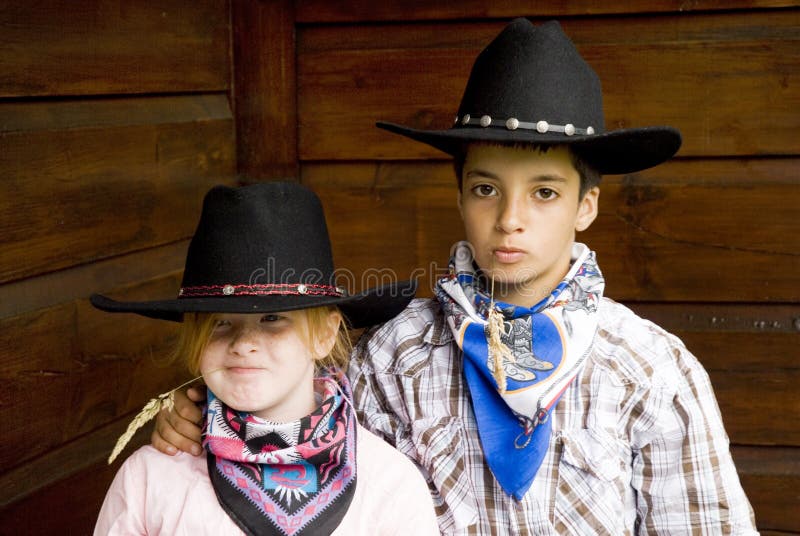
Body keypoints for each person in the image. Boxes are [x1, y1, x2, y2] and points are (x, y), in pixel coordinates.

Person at [152, 19, 758, 534]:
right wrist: (199, 410)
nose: (510, 220)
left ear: (586, 206)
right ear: (461, 195)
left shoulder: (649, 369)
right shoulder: (390, 358)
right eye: (486, 188)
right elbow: (287, 416)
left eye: (544, 193)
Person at [92, 182, 439, 535]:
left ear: (324, 335)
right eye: (220, 323)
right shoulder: (150, 481)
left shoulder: (389, 487)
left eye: (272, 319)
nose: (243, 343)